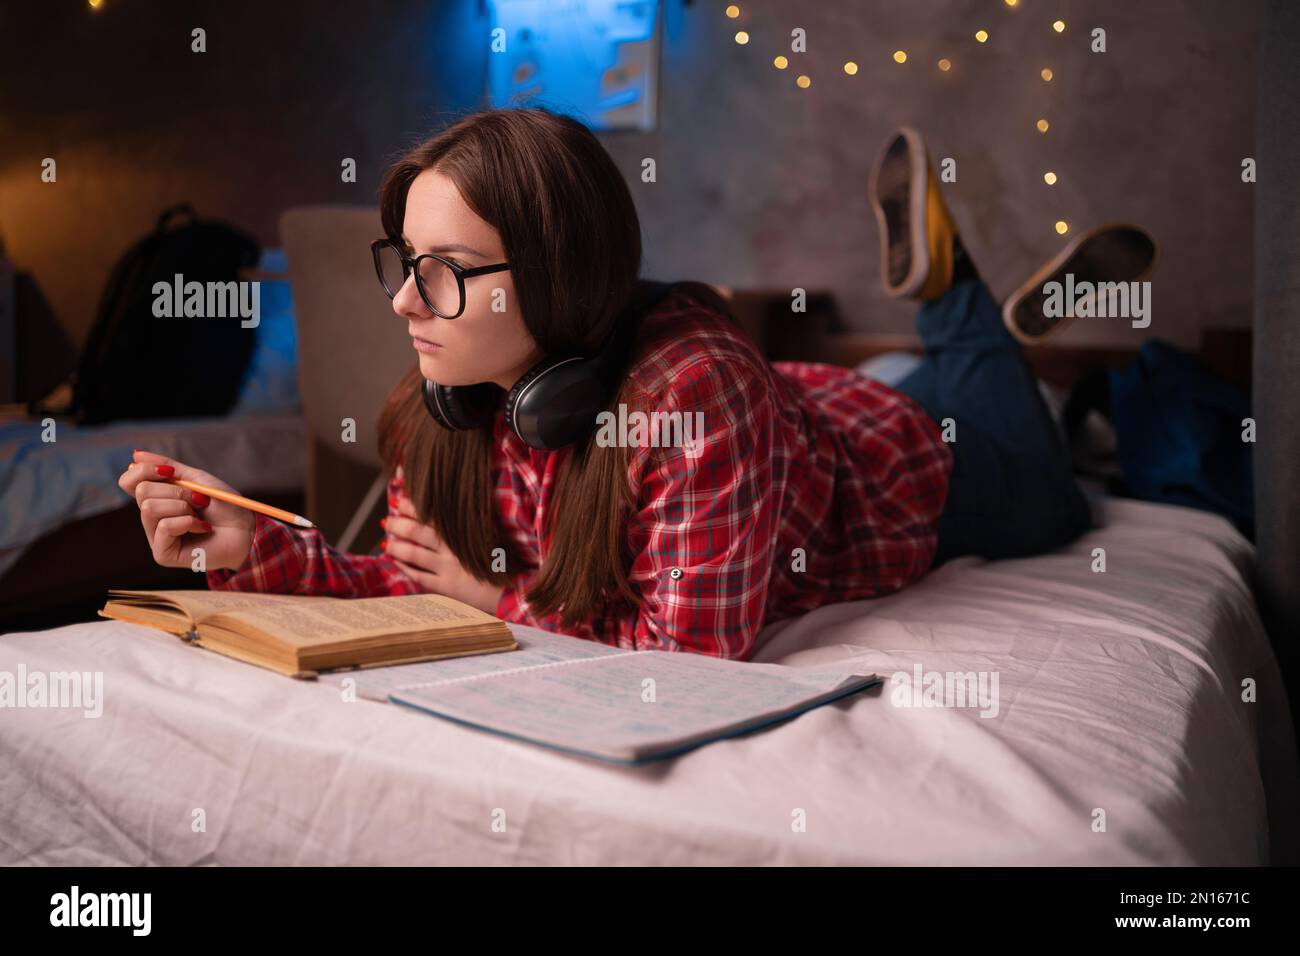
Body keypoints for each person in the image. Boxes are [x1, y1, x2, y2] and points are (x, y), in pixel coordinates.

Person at [119, 109, 1152, 661]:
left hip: (907, 465)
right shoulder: (453, 383)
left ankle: (965, 300)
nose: (403, 304)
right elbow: (406, 584)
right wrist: (263, 548)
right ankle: (990, 339)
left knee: (1050, 481)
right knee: (941, 376)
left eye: (443, 269)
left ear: (560, 276)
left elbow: (687, 652)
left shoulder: (696, 399)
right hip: (804, 410)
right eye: (404, 260)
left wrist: (493, 598)